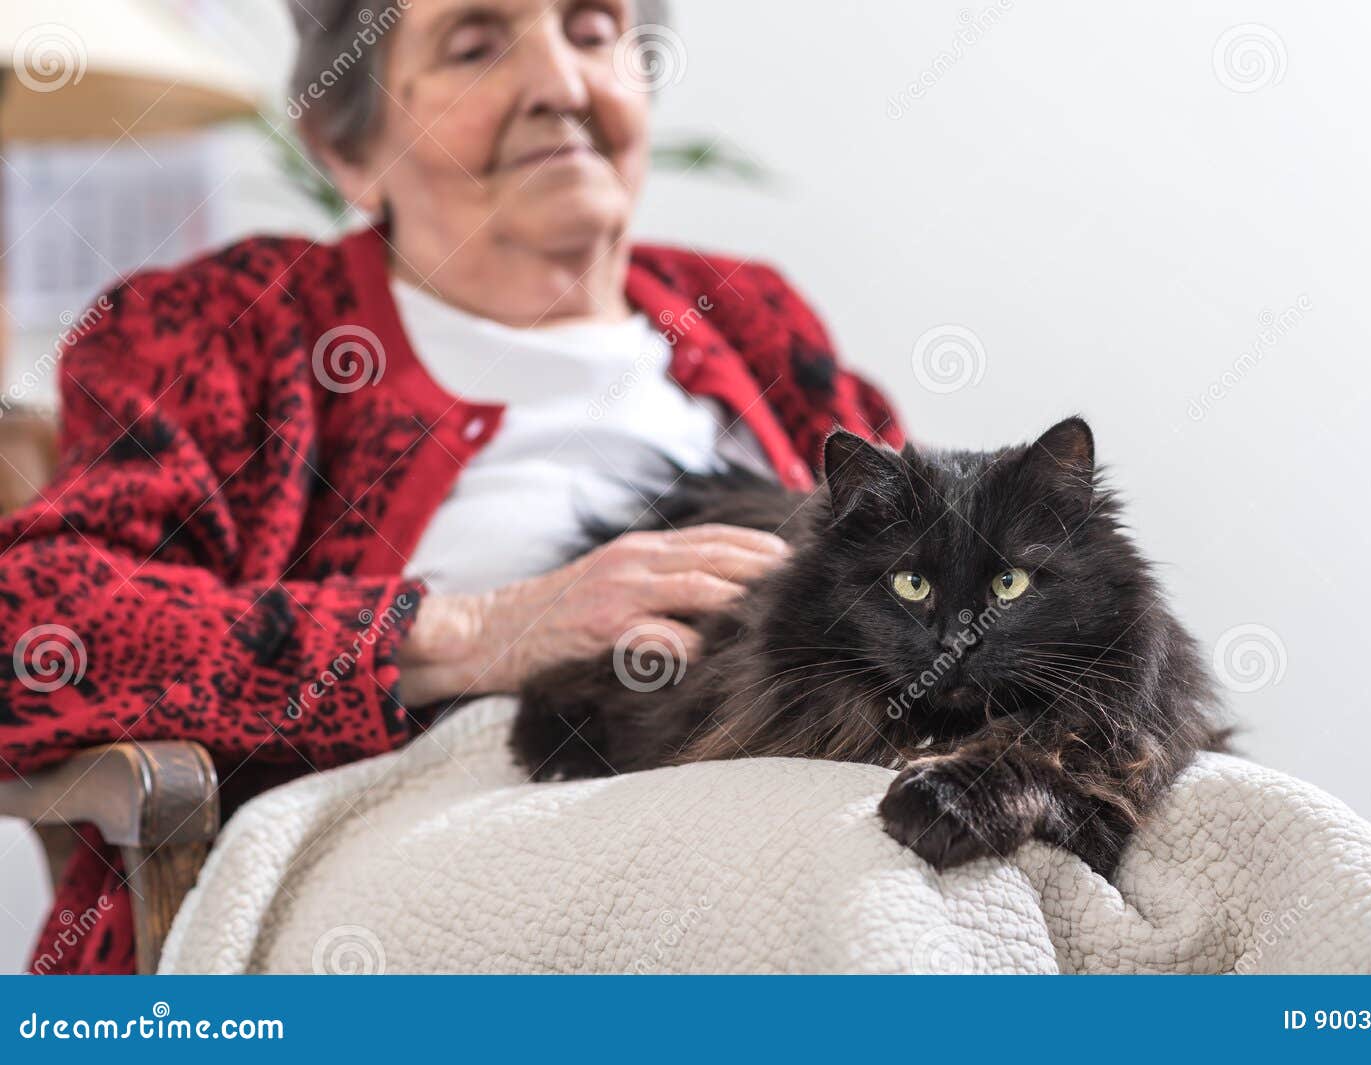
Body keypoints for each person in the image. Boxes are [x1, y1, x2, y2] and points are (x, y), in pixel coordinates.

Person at [0, 0, 901, 975]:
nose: (561, 85)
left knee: (1044, 851)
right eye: (474, 46)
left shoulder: (750, 319)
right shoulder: (227, 328)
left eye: (593, 31)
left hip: (788, 785)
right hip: (397, 830)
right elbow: (34, 633)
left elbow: (943, 568)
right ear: (349, 150)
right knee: (867, 881)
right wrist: (484, 631)